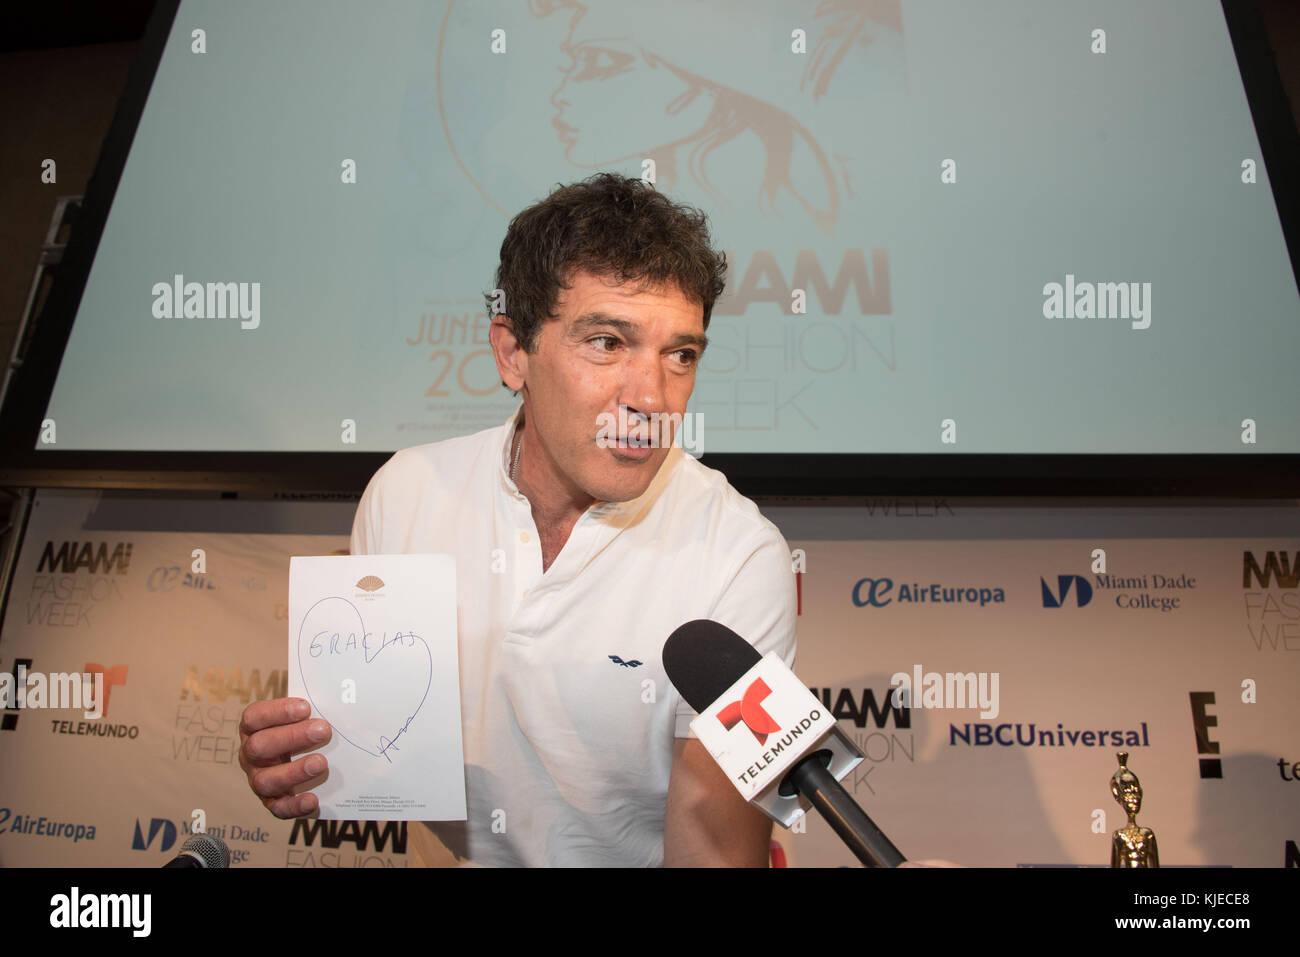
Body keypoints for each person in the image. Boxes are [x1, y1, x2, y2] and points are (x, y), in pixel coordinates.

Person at [239, 172, 797, 866]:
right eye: (606, 342)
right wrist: (314, 758)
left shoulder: (740, 556)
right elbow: (378, 754)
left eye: (680, 354)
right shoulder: (404, 494)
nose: (652, 395)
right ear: (512, 353)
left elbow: (713, 853)